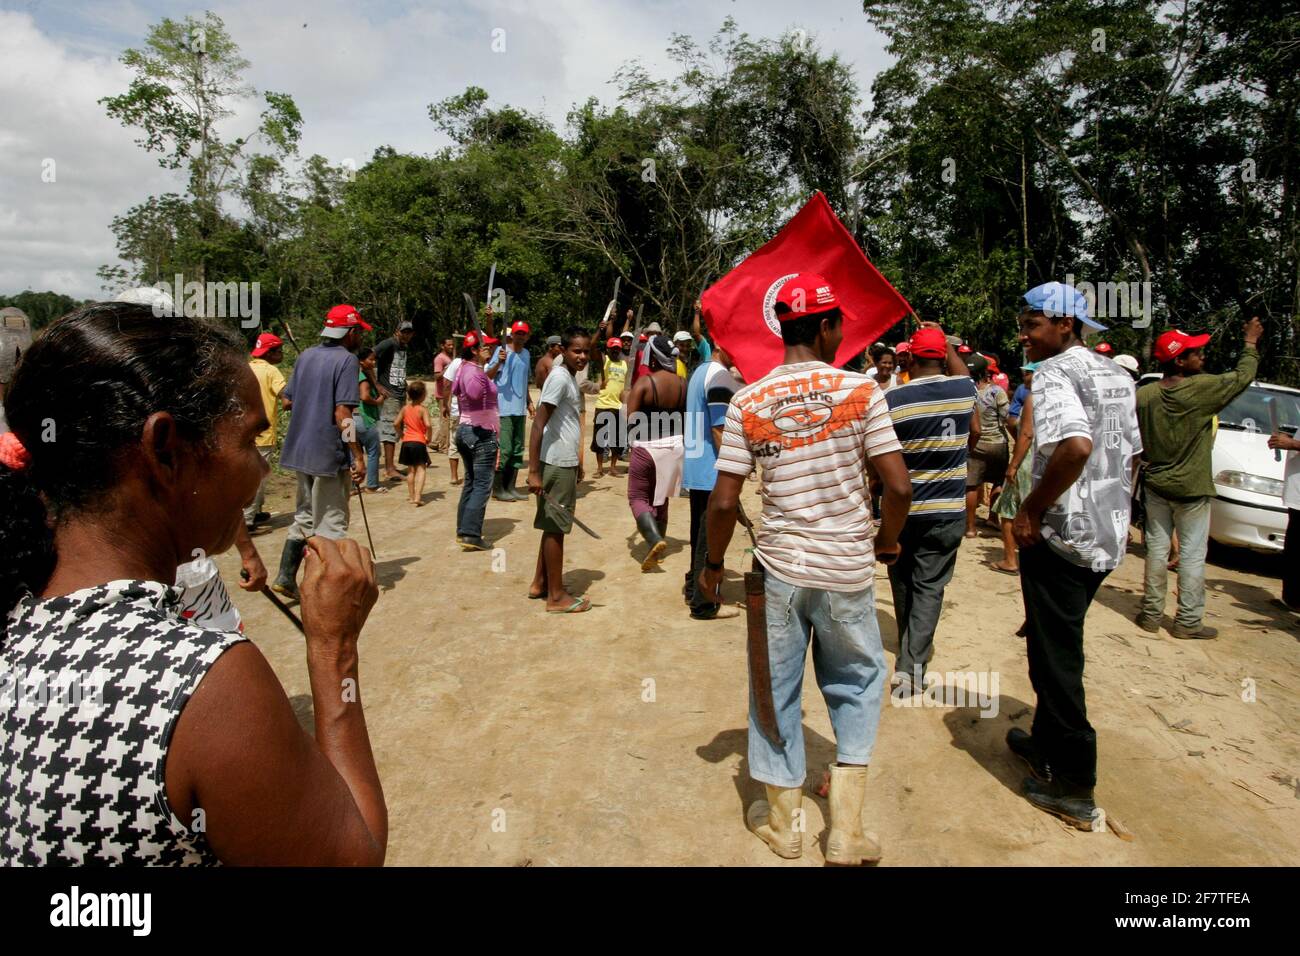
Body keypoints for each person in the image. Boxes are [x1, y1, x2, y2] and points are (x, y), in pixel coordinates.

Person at [0, 302, 385, 865]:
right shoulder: (202, 681)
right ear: (164, 450)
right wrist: (334, 650)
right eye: (250, 442)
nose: (260, 471)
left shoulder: (22, 626)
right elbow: (354, 856)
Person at [699, 272, 912, 865]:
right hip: (846, 569)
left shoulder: (750, 399)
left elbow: (722, 501)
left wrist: (712, 568)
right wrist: (886, 543)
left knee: (774, 689)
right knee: (858, 683)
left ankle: (781, 822)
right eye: (839, 321)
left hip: (781, 570)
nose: (843, 331)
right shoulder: (864, 392)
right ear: (823, 326)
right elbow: (897, 487)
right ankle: (846, 832)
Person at [1010, 280, 1141, 828]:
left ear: (1065, 324)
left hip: (1062, 537)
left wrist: (1031, 510)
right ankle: (1044, 743)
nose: (1024, 337)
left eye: (1032, 325)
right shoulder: (1115, 373)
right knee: (1048, 639)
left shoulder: (1057, 373)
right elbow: (1134, 455)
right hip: (1103, 537)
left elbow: (1076, 446)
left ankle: (1074, 785)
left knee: (1058, 658)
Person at [1135, 319, 1262, 639]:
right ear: (1179, 360)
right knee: (1191, 554)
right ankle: (1188, 622)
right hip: (1191, 487)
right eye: (1196, 353)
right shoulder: (1203, 389)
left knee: (1157, 549)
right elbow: (1243, 376)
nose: (1202, 357)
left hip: (1156, 484)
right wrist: (1249, 344)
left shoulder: (1146, 395)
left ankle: (1151, 614)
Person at [883, 325, 977, 693]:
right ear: (943, 356)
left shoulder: (893, 398)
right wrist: (944, 339)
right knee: (930, 586)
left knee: (902, 580)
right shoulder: (963, 388)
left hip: (903, 508)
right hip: (947, 509)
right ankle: (912, 663)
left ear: (908, 358)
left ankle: (912, 647)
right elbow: (964, 373)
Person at [271, 305, 368, 599]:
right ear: (350, 333)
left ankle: (286, 576)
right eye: (359, 331)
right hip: (327, 454)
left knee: (304, 515)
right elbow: (343, 415)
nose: (361, 336)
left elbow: (287, 401)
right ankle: (327, 589)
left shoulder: (305, 357)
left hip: (300, 450)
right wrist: (358, 454)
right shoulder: (348, 361)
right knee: (331, 523)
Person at [527, 327, 591, 613]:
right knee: (556, 529)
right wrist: (533, 472)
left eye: (586, 351)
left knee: (551, 525)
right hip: (555, 463)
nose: (582, 356)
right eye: (576, 350)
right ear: (563, 350)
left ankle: (540, 583)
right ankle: (556, 597)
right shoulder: (560, 378)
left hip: (562, 461)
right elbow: (538, 424)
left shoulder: (567, 377)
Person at [681, 342, 740, 620]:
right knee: (710, 537)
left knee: (699, 534)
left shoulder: (700, 371)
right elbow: (719, 430)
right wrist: (734, 472)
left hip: (697, 463)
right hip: (711, 467)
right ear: (720, 343)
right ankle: (704, 603)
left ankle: (694, 587)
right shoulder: (720, 376)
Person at [625, 335, 687, 572]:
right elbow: (686, 417)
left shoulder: (645, 383)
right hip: (675, 446)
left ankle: (654, 540)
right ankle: (659, 549)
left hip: (647, 447)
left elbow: (630, 420)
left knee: (638, 497)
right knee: (661, 498)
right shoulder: (683, 383)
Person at [452, 330, 500, 550]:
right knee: (481, 484)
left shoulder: (466, 368)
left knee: (472, 481)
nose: (489, 349)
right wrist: (482, 370)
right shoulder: (472, 371)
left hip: (468, 429)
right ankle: (470, 533)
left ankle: (464, 530)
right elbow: (473, 393)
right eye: (485, 347)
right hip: (479, 432)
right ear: (474, 350)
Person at [244, 333, 288, 532]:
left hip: (246, 431)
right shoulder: (271, 371)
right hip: (264, 432)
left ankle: (256, 511)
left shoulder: (246, 368)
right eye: (279, 351)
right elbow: (286, 400)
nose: (281, 355)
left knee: (253, 474)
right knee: (258, 477)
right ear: (270, 353)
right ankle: (247, 521)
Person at [964, 353, 1009, 537]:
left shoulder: (967, 392)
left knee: (972, 485)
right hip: (998, 443)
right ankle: (992, 517)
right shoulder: (997, 392)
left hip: (975, 444)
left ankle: (970, 528)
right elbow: (1006, 416)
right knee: (998, 481)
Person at [992, 389, 1034, 574]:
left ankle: (1010, 560)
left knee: (1008, 510)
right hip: (1048, 464)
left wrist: (1014, 465)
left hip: (1027, 460)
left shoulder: (1032, 402)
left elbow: (1025, 435)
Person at [492, 318, 534, 502]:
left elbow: (524, 382)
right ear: (512, 334)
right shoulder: (501, 352)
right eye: (518, 333)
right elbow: (487, 376)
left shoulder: (526, 354)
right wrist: (497, 363)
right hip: (504, 409)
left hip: (520, 410)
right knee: (505, 449)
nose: (521, 336)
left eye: (524, 333)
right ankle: (498, 489)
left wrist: (529, 402)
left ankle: (511, 487)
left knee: (518, 449)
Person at [375, 321, 415, 482]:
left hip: (399, 393)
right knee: (389, 430)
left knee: (396, 429)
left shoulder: (403, 347)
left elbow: (397, 369)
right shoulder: (388, 344)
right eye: (404, 332)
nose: (406, 335)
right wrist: (376, 384)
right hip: (389, 394)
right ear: (397, 331)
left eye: (409, 332)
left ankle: (391, 465)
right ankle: (389, 469)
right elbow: (367, 359)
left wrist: (404, 384)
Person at [1268, 426, 1300, 611]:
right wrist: (1286, 439)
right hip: (1296, 493)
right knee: (1294, 551)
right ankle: (1292, 600)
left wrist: (1292, 443)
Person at [592, 336, 628, 477]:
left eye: (617, 349)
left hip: (618, 406)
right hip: (602, 404)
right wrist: (600, 331)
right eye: (613, 349)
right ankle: (600, 468)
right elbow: (592, 346)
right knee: (599, 438)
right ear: (608, 349)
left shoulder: (624, 364)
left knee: (617, 439)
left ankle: (613, 468)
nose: (615, 351)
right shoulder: (604, 361)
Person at [356, 347, 386, 494]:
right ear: (362, 361)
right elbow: (365, 397)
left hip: (347, 420)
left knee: (352, 453)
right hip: (363, 419)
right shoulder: (362, 378)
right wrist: (378, 401)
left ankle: (351, 486)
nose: (373, 362)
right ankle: (372, 485)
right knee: (374, 451)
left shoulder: (350, 375)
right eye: (371, 359)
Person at [397, 380, 432, 506]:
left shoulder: (405, 408)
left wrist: (402, 435)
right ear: (423, 395)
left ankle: (411, 496)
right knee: (421, 470)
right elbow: (428, 425)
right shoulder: (422, 410)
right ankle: (418, 497)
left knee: (411, 470)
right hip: (419, 441)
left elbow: (396, 423)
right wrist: (429, 437)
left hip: (407, 441)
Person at [442, 337, 465, 485]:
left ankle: (454, 476)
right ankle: (457, 475)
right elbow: (446, 383)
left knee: (455, 442)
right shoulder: (460, 362)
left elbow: (446, 383)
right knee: (460, 443)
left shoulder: (457, 362)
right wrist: (445, 403)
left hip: (460, 411)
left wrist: (445, 403)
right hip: (463, 411)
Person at [432, 337, 455, 453]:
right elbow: (436, 376)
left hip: (449, 393)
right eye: (448, 345)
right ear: (442, 346)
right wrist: (448, 370)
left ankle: (435, 442)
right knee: (445, 419)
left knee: (445, 419)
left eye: (452, 345)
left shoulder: (449, 358)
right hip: (442, 393)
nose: (451, 347)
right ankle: (443, 446)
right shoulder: (440, 359)